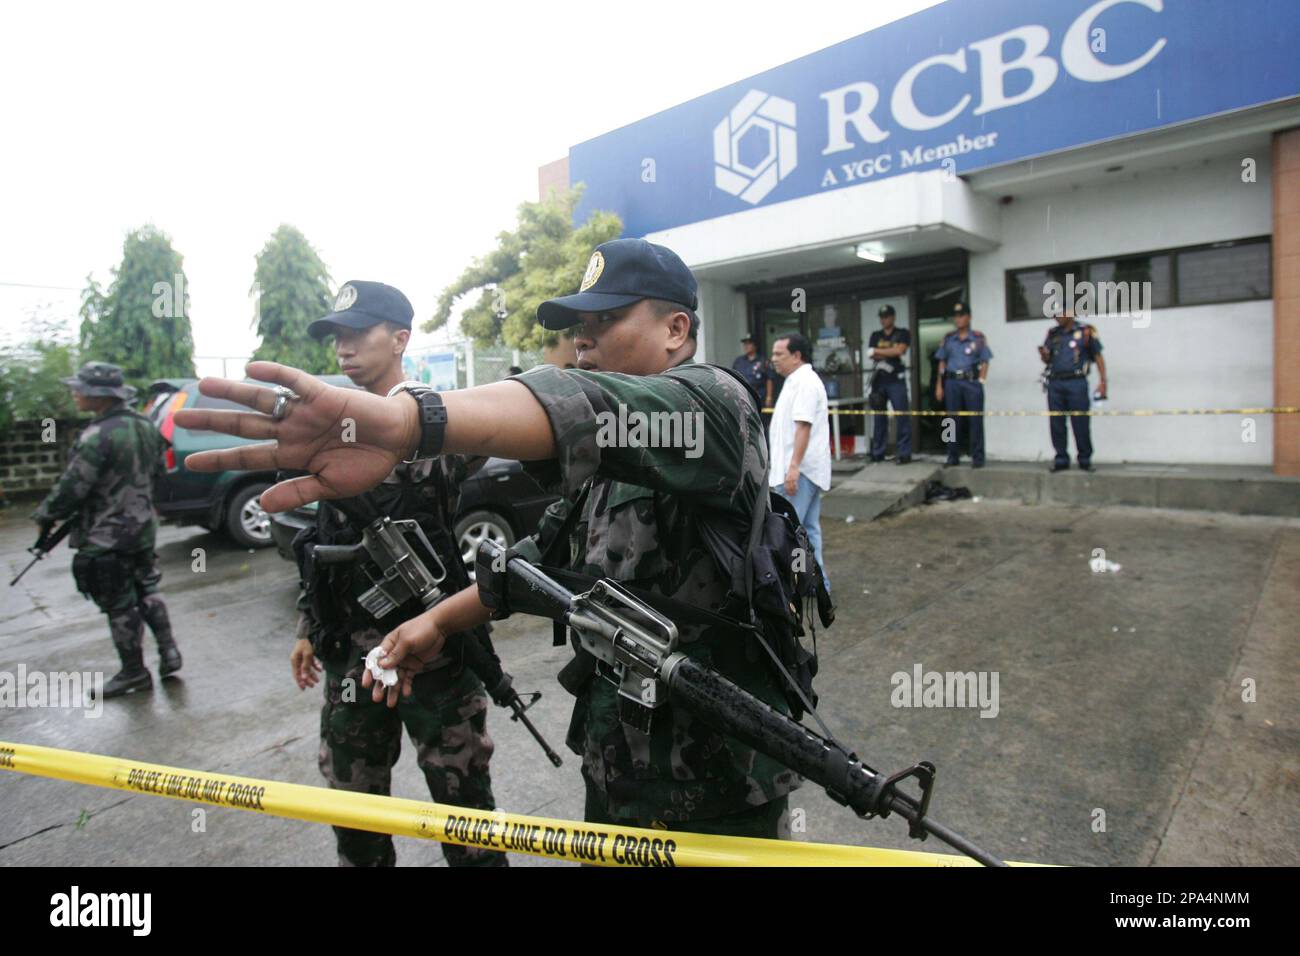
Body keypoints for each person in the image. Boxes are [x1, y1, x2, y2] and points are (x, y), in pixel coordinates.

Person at [175, 238, 800, 840]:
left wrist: (408, 420)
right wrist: (438, 622)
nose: (582, 337)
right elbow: (534, 565)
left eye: (607, 318)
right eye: (577, 323)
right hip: (622, 767)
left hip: (718, 784)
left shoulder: (715, 408)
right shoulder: (601, 473)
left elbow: (591, 405)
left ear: (676, 329)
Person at [288, 280, 506, 867]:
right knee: (356, 811)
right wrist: (311, 625)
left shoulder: (441, 422)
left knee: (465, 814)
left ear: (401, 338)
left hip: (431, 648)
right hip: (349, 656)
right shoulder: (333, 423)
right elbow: (323, 539)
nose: (344, 348)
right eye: (337, 337)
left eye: (358, 334)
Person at [32, 362, 180, 698]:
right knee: (148, 588)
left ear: (99, 396)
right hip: (142, 529)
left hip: (106, 536)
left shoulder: (97, 435)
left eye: (80, 389)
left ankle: (133, 673)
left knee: (119, 604)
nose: (75, 394)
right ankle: (170, 653)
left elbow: (72, 488)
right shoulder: (146, 427)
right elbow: (159, 473)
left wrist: (45, 516)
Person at [769, 333, 831, 590]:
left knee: (788, 533)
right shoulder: (796, 381)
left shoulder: (805, 382)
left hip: (799, 472)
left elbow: (803, 427)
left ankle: (791, 590)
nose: (773, 359)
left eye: (779, 354)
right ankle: (817, 586)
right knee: (807, 530)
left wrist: (793, 468)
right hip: (803, 470)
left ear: (796, 356)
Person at [1039, 307, 1106, 473]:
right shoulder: (1053, 333)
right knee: (1057, 423)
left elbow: (1098, 356)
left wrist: (1103, 381)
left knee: (1080, 422)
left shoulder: (1086, 331)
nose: (1057, 317)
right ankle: (1061, 459)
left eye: (1060, 313)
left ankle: (1084, 459)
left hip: (1077, 382)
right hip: (1056, 382)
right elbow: (1048, 359)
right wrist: (1043, 355)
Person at [933, 302, 992, 468]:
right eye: (956, 316)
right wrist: (939, 385)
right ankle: (952, 456)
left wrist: (981, 380)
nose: (958, 319)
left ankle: (978, 458)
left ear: (969, 317)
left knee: (975, 420)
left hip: (971, 382)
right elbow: (942, 362)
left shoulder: (978, 338)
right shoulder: (949, 338)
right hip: (952, 383)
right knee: (950, 421)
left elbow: (985, 361)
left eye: (962, 315)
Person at [867, 304, 912, 464]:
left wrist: (879, 351)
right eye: (882, 317)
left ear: (893, 317)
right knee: (879, 417)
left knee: (902, 416)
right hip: (879, 380)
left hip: (896, 380)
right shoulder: (875, 335)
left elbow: (900, 351)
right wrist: (890, 351)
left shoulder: (902, 333)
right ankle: (878, 452)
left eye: (887, 316)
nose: (884, 320)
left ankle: (904, 453)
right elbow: (871, 355)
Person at [731, 334, 773, 410]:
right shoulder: (739, 361)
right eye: (744, 344)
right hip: (741, 398)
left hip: (758, 398)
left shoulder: (763, 361)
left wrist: (769, 397)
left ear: (755, 346)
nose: (746, 346)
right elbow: (732, 378)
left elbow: (769, 379)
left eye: (749, 344)